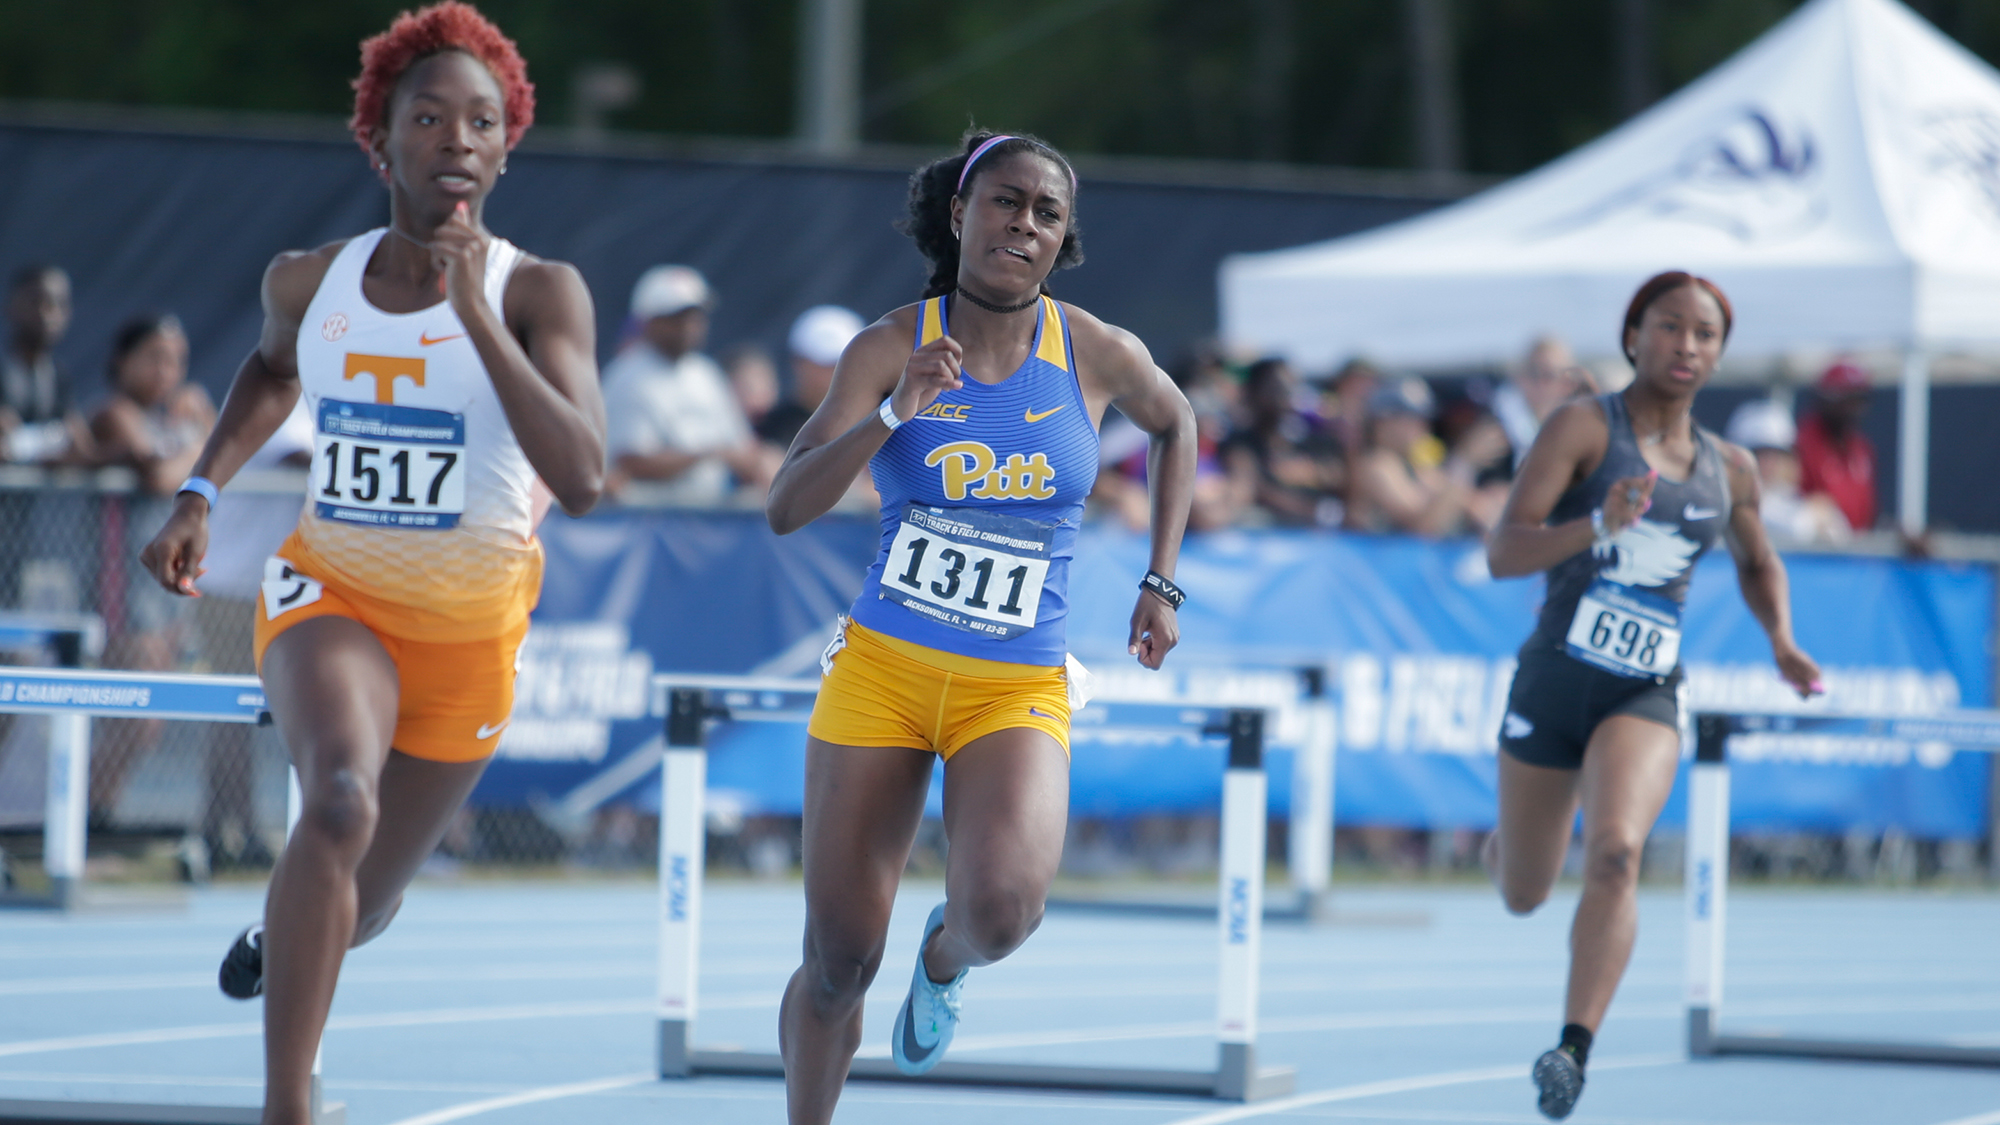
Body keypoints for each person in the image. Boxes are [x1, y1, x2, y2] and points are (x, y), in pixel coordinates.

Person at [136, 7, 606, 1122]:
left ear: (505, 148)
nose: (456, 140)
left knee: (369, 896)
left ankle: (285, 928)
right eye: (429, 118)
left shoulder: (539, 294)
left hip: (472, 636)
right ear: (378, 140)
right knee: (339, 803)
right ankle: (287, 1103)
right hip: (333, 592)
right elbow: (270, 373)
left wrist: (475, 318)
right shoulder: (310, 282)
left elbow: (584, 476)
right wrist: (200, 492)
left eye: (481, 122)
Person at [763, 130, 1196, 1125]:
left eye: (1047, 212)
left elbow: (1178, 423)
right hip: (883, 671)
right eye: (1005, 201)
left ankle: (943, 956)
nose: (1023, 224)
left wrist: (1162, 582)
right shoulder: (888, 345)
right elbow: (785, 505)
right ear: (959, 213)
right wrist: (892, 413)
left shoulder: (1094, 351)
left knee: (1000, 913)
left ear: (1061, 238)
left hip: (1015, 683)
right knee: (837, 962)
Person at [1484, 271, 1820, 1120]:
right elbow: (1504, 551)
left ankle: (1572, 1049)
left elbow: (1758, 561)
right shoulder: (1583, 428)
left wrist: (1781, 639)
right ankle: (1509, 845)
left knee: (1616, 854)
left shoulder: (1731, 468)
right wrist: (1596, 525)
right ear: (1634, 335)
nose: (1686, 345)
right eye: (1670, 326)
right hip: (1553, 680)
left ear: (1720, 355)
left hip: (1643, 691)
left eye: (1705, 334)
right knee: (1525, 890)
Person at [89, 313, 216, 821]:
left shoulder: (171, 423)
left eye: (176, 361)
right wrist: (203, 443)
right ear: (123, 360)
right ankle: (85, 816)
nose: (167, 372)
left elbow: (210, 463)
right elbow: (164, 477)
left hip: (164, 591)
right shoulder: (115, 413)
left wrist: (203, 429)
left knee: (151, 717)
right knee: (133, 716)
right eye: (155, 358)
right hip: (121, 588)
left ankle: (99, 814)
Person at [601, 265, 767, 503]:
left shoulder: (705, 372)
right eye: (677, 317)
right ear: (649, 321)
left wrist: (759, 461)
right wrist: (707, 454)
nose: (689, 325)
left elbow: (740, 446)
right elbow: (631, 462)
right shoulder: (627, 377)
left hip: (711, 510)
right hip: (646, 515)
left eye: (695, 316)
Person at [1346, 375, 1509, 536]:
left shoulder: (1415, 466)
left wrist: (1493, 501)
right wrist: (1464, 462)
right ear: (1384, 420)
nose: (1422, 427)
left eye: (1423, 418)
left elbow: (1464, 500)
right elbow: (1424, 526)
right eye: (1412, 418)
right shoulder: (1375, 464)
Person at [1222, 357, 1344, 527]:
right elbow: (1251, 485)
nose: (1286, 396)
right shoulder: (1240, 443)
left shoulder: (1311, 440)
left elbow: (1339, 477)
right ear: (1254, 393)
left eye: (1291, 387)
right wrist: (1313, 512)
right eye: (1276, 388)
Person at [1724, 398, 1849, 544]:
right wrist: (1813, 517)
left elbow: (1844, 539)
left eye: (1778, 454)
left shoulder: (1800, 503)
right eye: (1759, 454)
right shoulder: (1727, 504)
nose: (1770, 464)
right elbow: (1792, 529)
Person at [1, 264, 91, 465]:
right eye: (36, 302)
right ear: (11, 306)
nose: (47, 314)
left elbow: (78, 442)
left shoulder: (59, 376)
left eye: (59, 304)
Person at [1492, 335, 1595, 471]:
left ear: (1568, 384)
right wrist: (1468, 459)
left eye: (1548, 375)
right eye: (1533, 373)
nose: (1540, 383)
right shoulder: (1497, 429)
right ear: (1519, 377)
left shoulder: (1583, 432)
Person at [1795, 360, 1875, 532]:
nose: (1853, 409)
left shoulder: (1861, 449)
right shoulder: (1802, 444)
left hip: (1858, 543)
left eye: (1857, 400)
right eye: (1845, 401)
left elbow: (1866, 510)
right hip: (1816, 544)